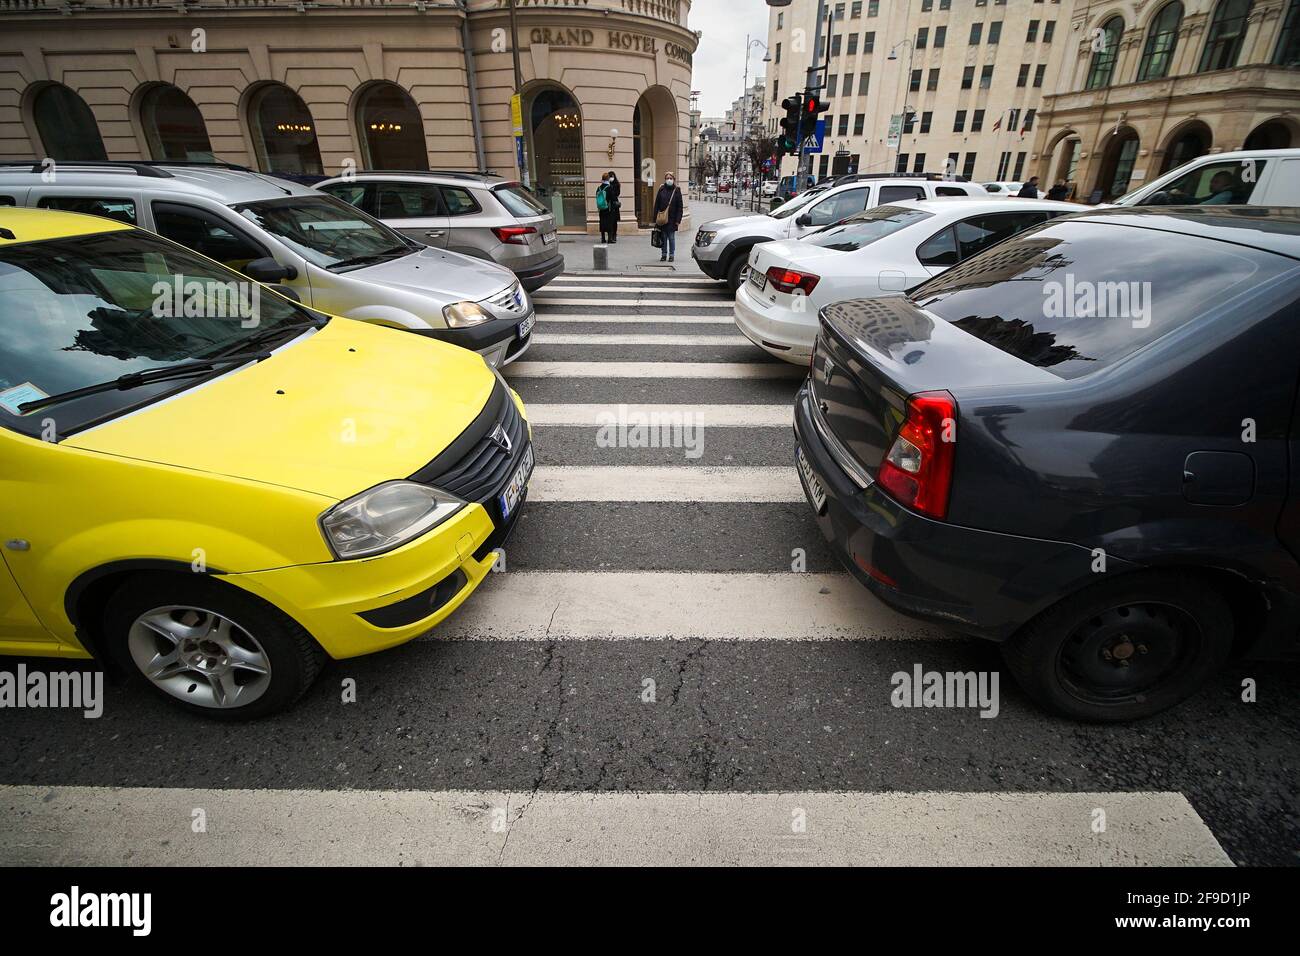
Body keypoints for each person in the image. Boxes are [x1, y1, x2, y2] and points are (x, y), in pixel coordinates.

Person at [653, 171, 684, 262]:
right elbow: (657, 204)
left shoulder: (677, 190)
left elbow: (680, 207)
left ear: (674, 179)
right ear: (665, 179)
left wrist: (678, 220)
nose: (669, 180)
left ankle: (671, 255)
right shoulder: (661, 189)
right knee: (663, 237)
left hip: (672, 219)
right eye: (667, 178)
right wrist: (655, 218)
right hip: (662, 219)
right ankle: (663, 254)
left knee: (671, 237)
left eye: (671, 178)